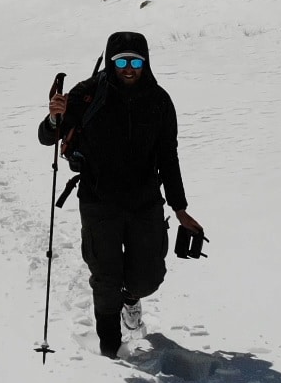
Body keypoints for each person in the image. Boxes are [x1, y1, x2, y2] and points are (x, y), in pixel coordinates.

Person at [39, 30, 202, 358]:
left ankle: (132, 298)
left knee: (149, 278)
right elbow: (47, 137)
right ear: (111, 61)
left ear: (146, 62)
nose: (129, 68)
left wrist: (180, 208)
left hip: (145, 201)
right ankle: (109, 348)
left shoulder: (159, 101)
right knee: (105, 276)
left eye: (136, 61)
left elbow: (168, 156)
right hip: (99, 199)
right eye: (122, 61)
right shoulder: (86, 95)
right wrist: (53, 116)